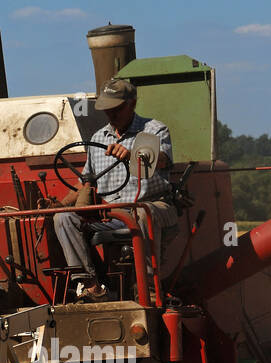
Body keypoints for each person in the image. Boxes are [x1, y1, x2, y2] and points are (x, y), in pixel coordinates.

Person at [52, 76, 178, 301]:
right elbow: (85, 182)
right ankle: (91, 286)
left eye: (116, 109)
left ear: (132, 104)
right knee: (64, 219)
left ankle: (146, 288)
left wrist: (133, 156)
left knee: (141, 213)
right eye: (107, 110)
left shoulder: (153, 130)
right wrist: (59, 206)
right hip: (112, 213)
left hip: (152, 205)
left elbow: (164, 161)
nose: (111, 115)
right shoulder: (98, 138)